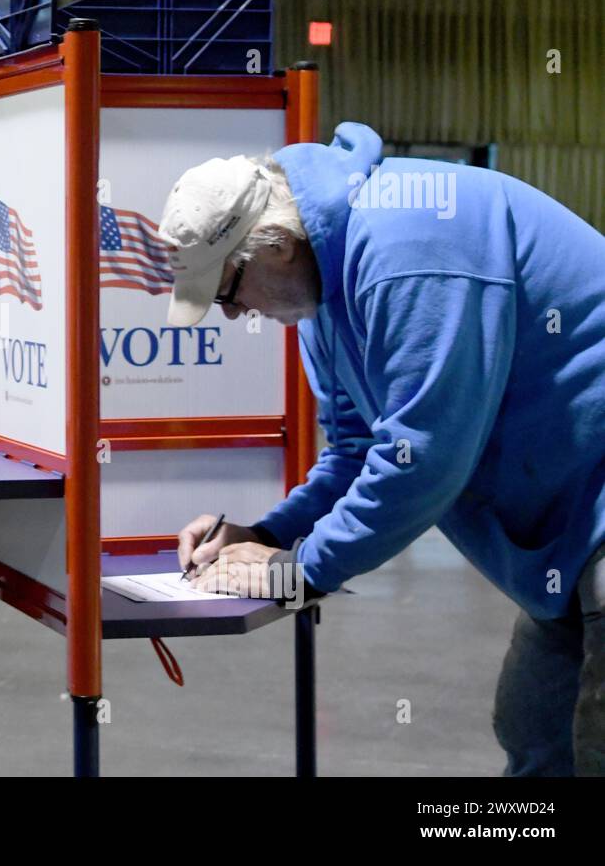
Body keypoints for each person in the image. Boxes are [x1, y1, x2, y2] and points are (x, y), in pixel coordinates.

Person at [160, 122, 605, 776]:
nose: (230, 314)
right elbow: (356, 451)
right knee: (534, 731)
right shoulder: (319, 295)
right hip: (568, 528)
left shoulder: (411, 242)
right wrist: (262, 533)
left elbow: (425, 458)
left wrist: (298, 570)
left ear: (276, 245)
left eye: (227, 290)